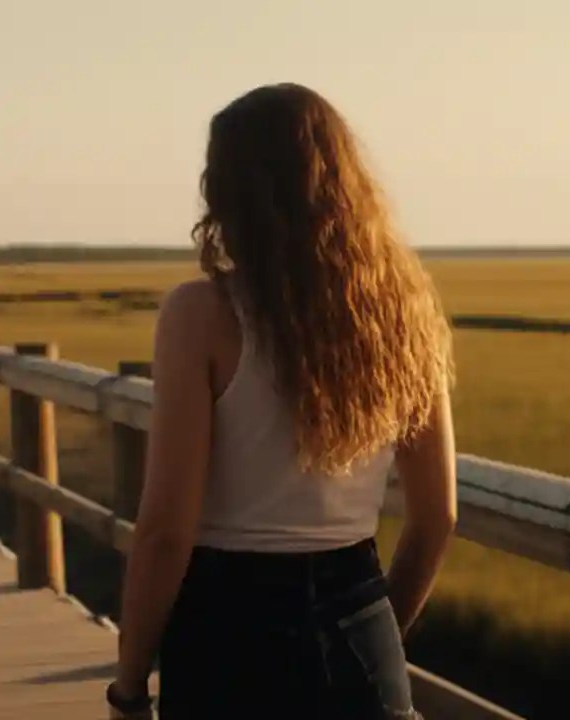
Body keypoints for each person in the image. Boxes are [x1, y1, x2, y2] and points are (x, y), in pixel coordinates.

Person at [104, 83, 457, 720]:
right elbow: (437, 518)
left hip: (226, 635)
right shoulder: (403, 313)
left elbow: (164, 533)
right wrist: (374, 634)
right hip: (359, 618)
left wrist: (128, 687)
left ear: (228, 194)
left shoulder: (201, 315)